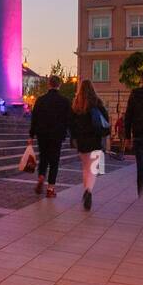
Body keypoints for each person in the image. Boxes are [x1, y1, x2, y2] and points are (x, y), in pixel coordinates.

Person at [70, 79, 110, 211]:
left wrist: (74, 138)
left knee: (85, 167)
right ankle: (88, 190)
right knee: (93, 169)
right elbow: (106, 121)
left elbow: (72, 125)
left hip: (82, 141)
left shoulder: (77, 105)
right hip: (95, 140)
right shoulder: (97, 104)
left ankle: (86, 190)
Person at [29, 74, 71, 197]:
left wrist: (31, 135)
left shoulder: (40, 100)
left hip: (42, 134)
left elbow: (34, 118)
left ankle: (41, 176)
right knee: (54, 161)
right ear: (59, 85)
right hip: (57, 135)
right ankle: (50, 189)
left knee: (43, 158)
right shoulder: (64, 101)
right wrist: (68, 134)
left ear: (49, 84)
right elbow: (68, 120)